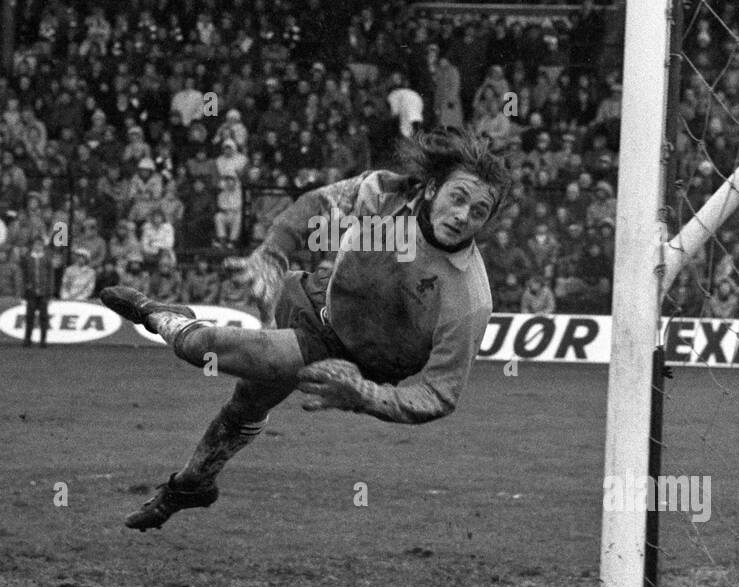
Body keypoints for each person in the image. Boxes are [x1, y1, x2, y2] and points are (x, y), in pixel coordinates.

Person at [100, 127, 512, 531]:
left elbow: (440, 394)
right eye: (458, 198)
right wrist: (272, 253)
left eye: (479, 211)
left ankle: (157, 317)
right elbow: (319, 207)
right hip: (316, 304)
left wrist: (368, 395)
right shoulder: (389, 196)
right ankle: (193, 483)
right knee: (247, 401)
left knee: (207, 346)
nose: (463, 216)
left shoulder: (468, 299)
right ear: (432, 188)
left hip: (355, 362)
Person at [21, 238, 56, 347]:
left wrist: (50, 292)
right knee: (29, 317)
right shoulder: (27, 259)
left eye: (40, 245)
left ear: (43, 247)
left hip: (43, 293)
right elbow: (24, 276)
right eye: (36, 245)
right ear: (33, 246)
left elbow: (51, 276)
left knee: (44, 317)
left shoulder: (46, 259)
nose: (38, 247)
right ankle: (27, 339)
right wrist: (24, 292)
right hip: (31, 293)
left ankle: (43, 340)